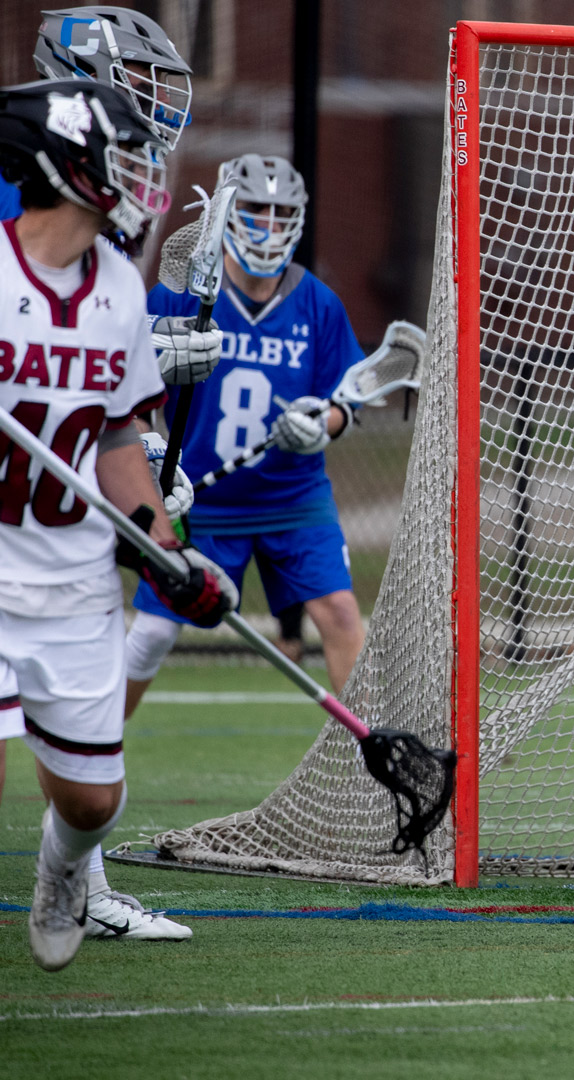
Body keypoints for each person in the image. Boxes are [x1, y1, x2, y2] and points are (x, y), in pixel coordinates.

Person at [0, 79, 235, 971]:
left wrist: (165, 553)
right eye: (123, 155)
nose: (143, 175)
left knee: (93, 803)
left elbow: (116, 437)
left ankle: (63, 874)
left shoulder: (117, 293)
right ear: (67, 165)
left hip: (72, 583)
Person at [124, 154, 368, 724]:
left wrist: (319, 426)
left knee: (339, 613)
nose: (269, 223)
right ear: (230, 211)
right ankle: (90, 757)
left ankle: (363, 774)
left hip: (293, 497)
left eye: (283, 212)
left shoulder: (317, 304)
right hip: (200, 503)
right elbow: (128, 397)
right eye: (256, 208)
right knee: (156, 630)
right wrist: (151, 452)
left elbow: (344, 401)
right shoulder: (181, 296)